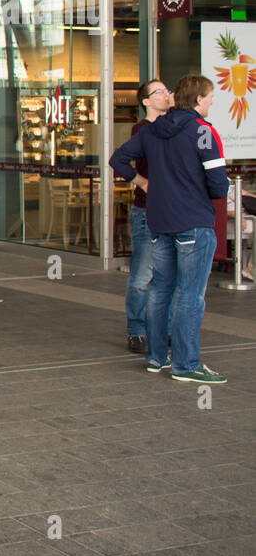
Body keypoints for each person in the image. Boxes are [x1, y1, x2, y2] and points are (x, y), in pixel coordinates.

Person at [109, 75, 229, 384]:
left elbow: (118, 158)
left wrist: (144, 183)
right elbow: (218, 185)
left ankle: (156, 357)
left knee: (160, 288)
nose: (212, 101)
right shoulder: (203, 131)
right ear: (199, 100)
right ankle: (186, 365)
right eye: (210, 97)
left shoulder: (153, 131)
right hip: (192, 221)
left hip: (159, 221)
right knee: (190, 293)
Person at [122, 79, 174, 353]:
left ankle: (164, 329)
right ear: (145, 102)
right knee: (143, 275)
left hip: (171, 212)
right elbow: (121, 161)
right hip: (146, 210)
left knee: (168, 275)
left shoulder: (176, 124)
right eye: (159, 92)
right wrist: (140, 181)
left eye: (167, 90)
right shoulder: (142, 129)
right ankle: (137, 329)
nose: (166, 95)